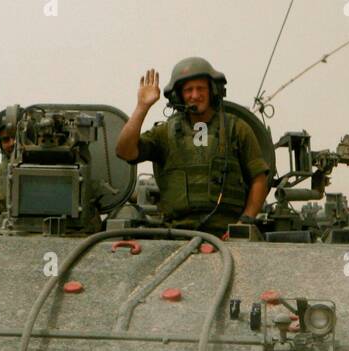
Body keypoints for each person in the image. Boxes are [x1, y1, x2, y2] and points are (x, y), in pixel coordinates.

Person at [115, 58, 269, 233]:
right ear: (178, 95)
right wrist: (142, 107)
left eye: (200, 88)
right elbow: (124, 151)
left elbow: (259, 178)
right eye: (188, 90)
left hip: (227, 233)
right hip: (176, 233)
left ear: (212, 90)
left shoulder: (237, 129)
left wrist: (245, 221)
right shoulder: (164, 133)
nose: (195, 95)